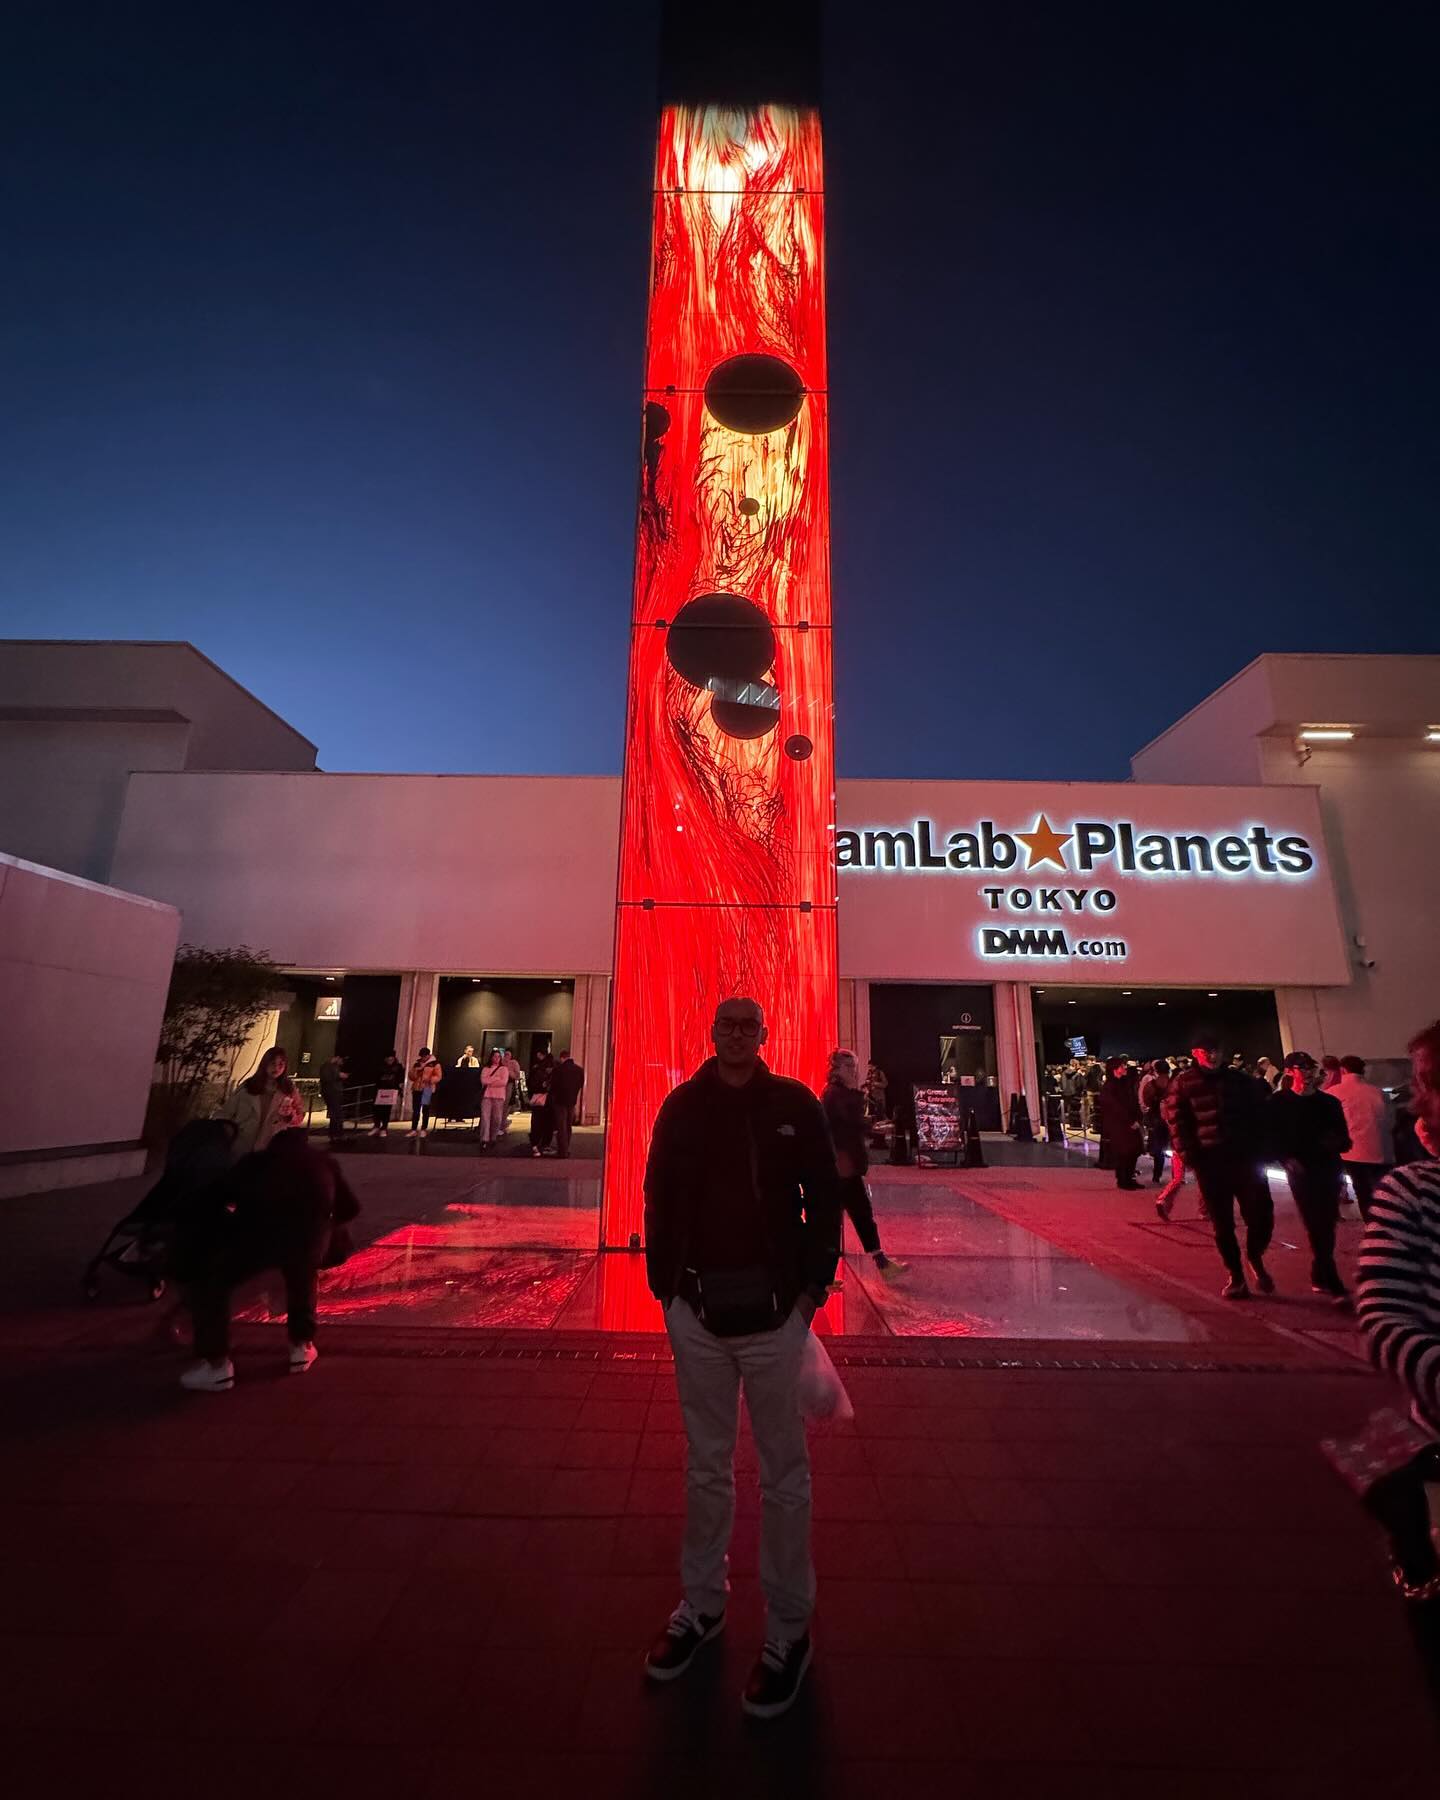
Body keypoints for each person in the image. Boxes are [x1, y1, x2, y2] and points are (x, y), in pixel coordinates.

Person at [642, 996, 840, 1719]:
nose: (734, 1036)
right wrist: (665, 1285)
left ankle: (789, 1628)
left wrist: (812, 1287)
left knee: (784, 1474)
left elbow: (824, 1194)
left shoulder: (792, 1104)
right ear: (712, 1033)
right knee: (706, 1465)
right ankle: (703, 1603)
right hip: (695, 1311)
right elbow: (657, 1189)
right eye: (724, 1026)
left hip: (773, 1317)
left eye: (746, 1027)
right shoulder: (683, 1106)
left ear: (764, 1035)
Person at [1355, 1020, 1440, 1604]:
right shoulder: (1413, 1191)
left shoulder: (1411, 1191)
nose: (1413, 1098)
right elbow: (1384, 1316)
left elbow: (1384, 1317)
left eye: (1426, 1083)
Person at [177, 1127, 360, 1392]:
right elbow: (349, 1208)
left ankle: (216, 1363)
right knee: (303, 1279)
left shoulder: (256, 1163)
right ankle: (301, 1346)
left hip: (257, 1240)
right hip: (306, 1243)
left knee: (211, 1282)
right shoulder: (324, 1163)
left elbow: (218, 1197)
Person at [1163, 1033, 1273, 1298]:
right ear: (1196, 1053)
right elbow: (1178, 1121)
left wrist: (1263, 1148)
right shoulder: (1185, 1083)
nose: (1213, 1056)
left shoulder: (1239, 1081)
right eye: (1207, 1051)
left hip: (1245, 1157)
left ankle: (1254, 1255)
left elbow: (1260, 1115)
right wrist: (1189, 1154)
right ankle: (1236, 1274)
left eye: (1216, 1051)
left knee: (1261, 1215)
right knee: (1222, 1223)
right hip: (1210, 1160)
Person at [1269, 1051, 1352, 1302]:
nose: (1306, 1073)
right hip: (1301, 1171)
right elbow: (1272, 1136)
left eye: (1309, 1068)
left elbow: (1344, 1137)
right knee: (1315, 1222)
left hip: (1328, 1167)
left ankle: (1320, 1271)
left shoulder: (1329, 1103)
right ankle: (1332, 1279)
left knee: (1326, 1222)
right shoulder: (1278, 1103)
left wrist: (1333, 1143)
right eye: (1300, 1068)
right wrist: (1286, 1158)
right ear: (1289, 1071)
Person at [819, 1050, 908, 1280]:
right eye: (848, 1067)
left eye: (854, 1067)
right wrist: (871, 1126)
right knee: (852, 1215)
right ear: (837, 1069)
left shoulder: (840, 1094)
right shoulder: (836, 1095)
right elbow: (847, 1125)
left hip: (843, 1164)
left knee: (850, 1215)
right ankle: (878, 1264)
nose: (853, 1072)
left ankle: (878, 1263)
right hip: (842, 1165)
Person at [1333, 1055, 1395, 1220]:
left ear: (1343, 1070)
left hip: (1352, 1151)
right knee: (1383, 1190)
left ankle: (1372, 1224)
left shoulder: (1334, 1093)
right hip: (1381, 1149)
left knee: (1362, 1190)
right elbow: (1391, 1121)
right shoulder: (1378, 1092)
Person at [216, 1048, 305, 1159]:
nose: (277, 1068)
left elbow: (299, 1117)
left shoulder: (288, 1089)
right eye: (273, 1063)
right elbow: (226, 1112)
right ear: (265, 1063)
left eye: (281, 1064)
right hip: (243, 1144)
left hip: (271, 1146)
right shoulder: (248, 1086)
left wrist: (289, 1115)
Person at [1096, 1057, 1144, 1191]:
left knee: (1133, 1151)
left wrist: (1137, 1118)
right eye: (1122, 1066)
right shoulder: (1110, 1086)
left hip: (1130, 1122)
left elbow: (1132, 1102)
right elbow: (1115, 1107)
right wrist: (1129, 1120)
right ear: (1115, 1069)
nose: (1125, 1068)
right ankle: (1123, 1180)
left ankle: (1129, 1177)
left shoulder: (1124, 1083)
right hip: (1120, 1125)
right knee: (1124, 1152)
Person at [1138, 1058, 1173, 1190]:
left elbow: (1146, 1101)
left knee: (1158, 1148)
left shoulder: (1151, 1085)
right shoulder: (1174, 1084)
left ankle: (1156, 1175)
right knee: (1175, 1148)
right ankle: (1178, 1176)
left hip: (1156, 1119)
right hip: (1172, 1119)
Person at [548, 1050, 585, 1158]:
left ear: (562, 1058)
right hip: (572, 1101)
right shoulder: (579, 1070)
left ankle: (562, 1151)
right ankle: (566, 1147)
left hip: (560, 1101)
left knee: (561, 1126)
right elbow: (581, 1084)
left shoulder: (558, 1070)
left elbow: (553, 1086)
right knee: (568, 1125)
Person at [479, 1049, 511, 1148]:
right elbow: (483, 1080)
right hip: (487, 1096)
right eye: (495, 1056)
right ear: (491, 1057)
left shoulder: (504, 1069)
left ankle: (493, 1136)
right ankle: (485, 1139)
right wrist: (496, 1079)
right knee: (485, 1118)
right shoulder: (486, 1069)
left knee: (497, 1118)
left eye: (498, 1057)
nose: (496, 1059)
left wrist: (490, 1080)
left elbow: (503, 1082)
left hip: (499, 1097)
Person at [528, 1045, 556, 1157]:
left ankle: (535, 1144)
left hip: (538, 1100)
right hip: (549, 1101)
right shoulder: (553, 1066)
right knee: (548, 1123)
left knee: (536, 1123)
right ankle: (545, 1145)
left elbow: (532, 1084)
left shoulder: (537, 1068)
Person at [409, 1047, 442, 1136]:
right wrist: (416, 1072)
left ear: (428, 1055)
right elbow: (411, 1076)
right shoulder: (417, 1063)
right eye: (422, 1056)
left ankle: (424, 1129)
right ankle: (413, 1129)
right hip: (417, 1088)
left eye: (424, 1056)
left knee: (425, 1109)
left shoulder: (435, 1064)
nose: (423, 1058)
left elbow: (438, 1076)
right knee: (415, 1109)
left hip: (427, 1089)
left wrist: (430, 1079)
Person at [371, 1051, 405, 1137]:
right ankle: (376, 1126)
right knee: (377, 1109)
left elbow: (401, 1078)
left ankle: (384, 1128)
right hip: (380, 1090)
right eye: (388, 1058)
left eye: (391, 1058)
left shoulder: (398, 1067)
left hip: (391, 1090)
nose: (390, 1060)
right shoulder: (380, 1066)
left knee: (386, 1110)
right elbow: (376, 1077)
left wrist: (399, 1088)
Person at [319, 1052, 347, 1144]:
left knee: (336, 1114)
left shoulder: (332, 1067)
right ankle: (336, 1134)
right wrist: (339, 1075)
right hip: (331, 1093)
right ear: (337, 1058)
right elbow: (326, 1078)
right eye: (341, 1060)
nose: (342, 1062)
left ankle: (335, 1134)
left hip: (334, 1092)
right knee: (336, 1114)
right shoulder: (327, 1066)